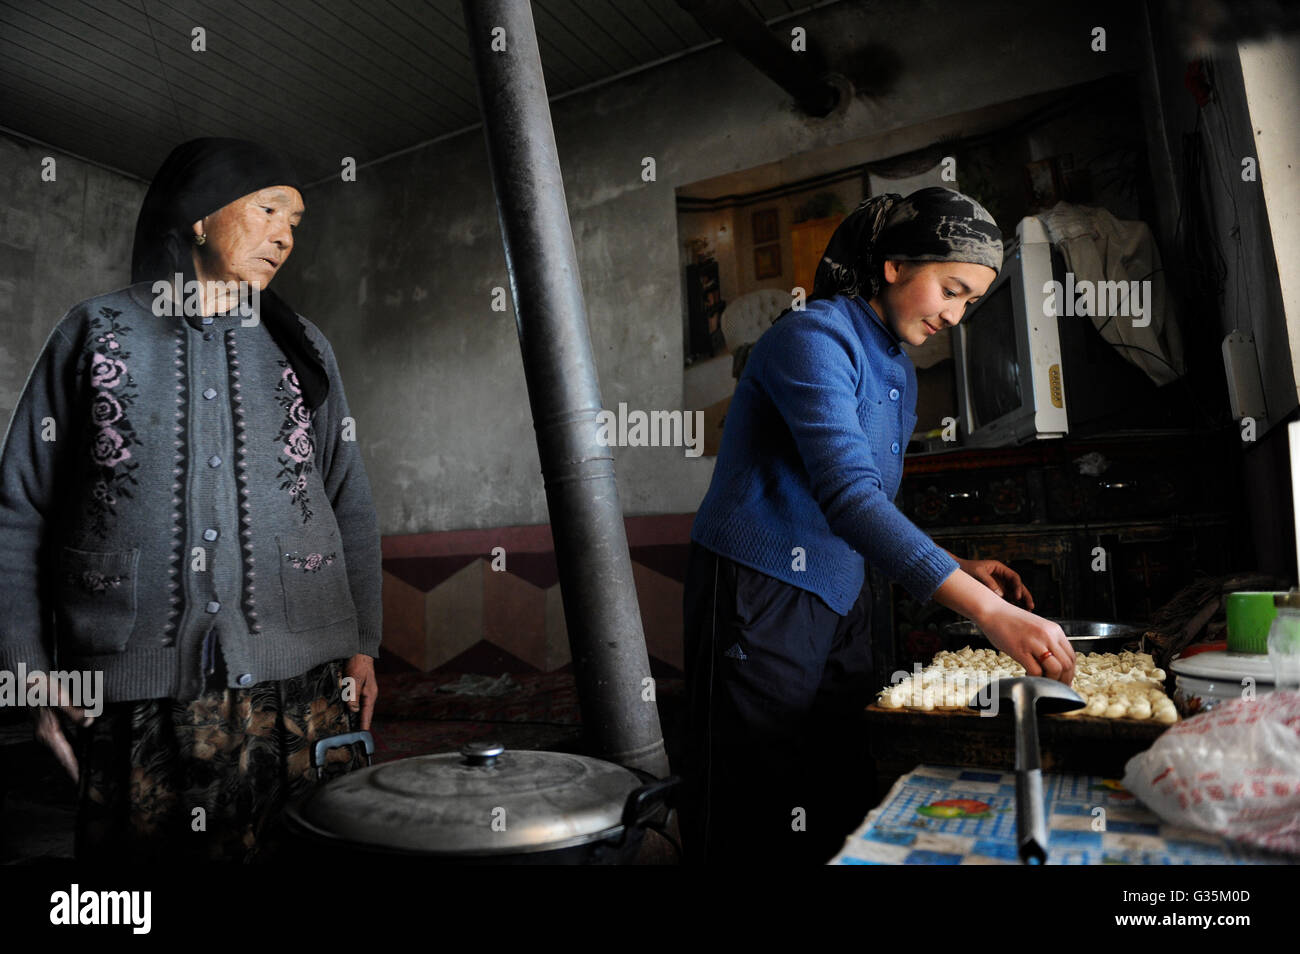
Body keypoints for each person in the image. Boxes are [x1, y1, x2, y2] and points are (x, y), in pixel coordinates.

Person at [0, 138, 383, 861]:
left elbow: (348, 499)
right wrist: (28, 672)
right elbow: (17, 510)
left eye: (295, 222)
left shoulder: (302, 345)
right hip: (138, 700)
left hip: (302, 691)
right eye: (269, 210)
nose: (284, 235)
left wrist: (363, 643)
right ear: (198, 218)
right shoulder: (93, 333)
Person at [680, 187, 1076, 865]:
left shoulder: (895, 367)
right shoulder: (812, 339)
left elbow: (869, 503)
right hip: (759, 589)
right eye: (951, 289)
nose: (955, 314)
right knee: (752, 786)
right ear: (894, 265)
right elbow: (849, 500)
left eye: (970, 303)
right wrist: (987, 612)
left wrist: (955, 565)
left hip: (840, 593)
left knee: (839, 770)